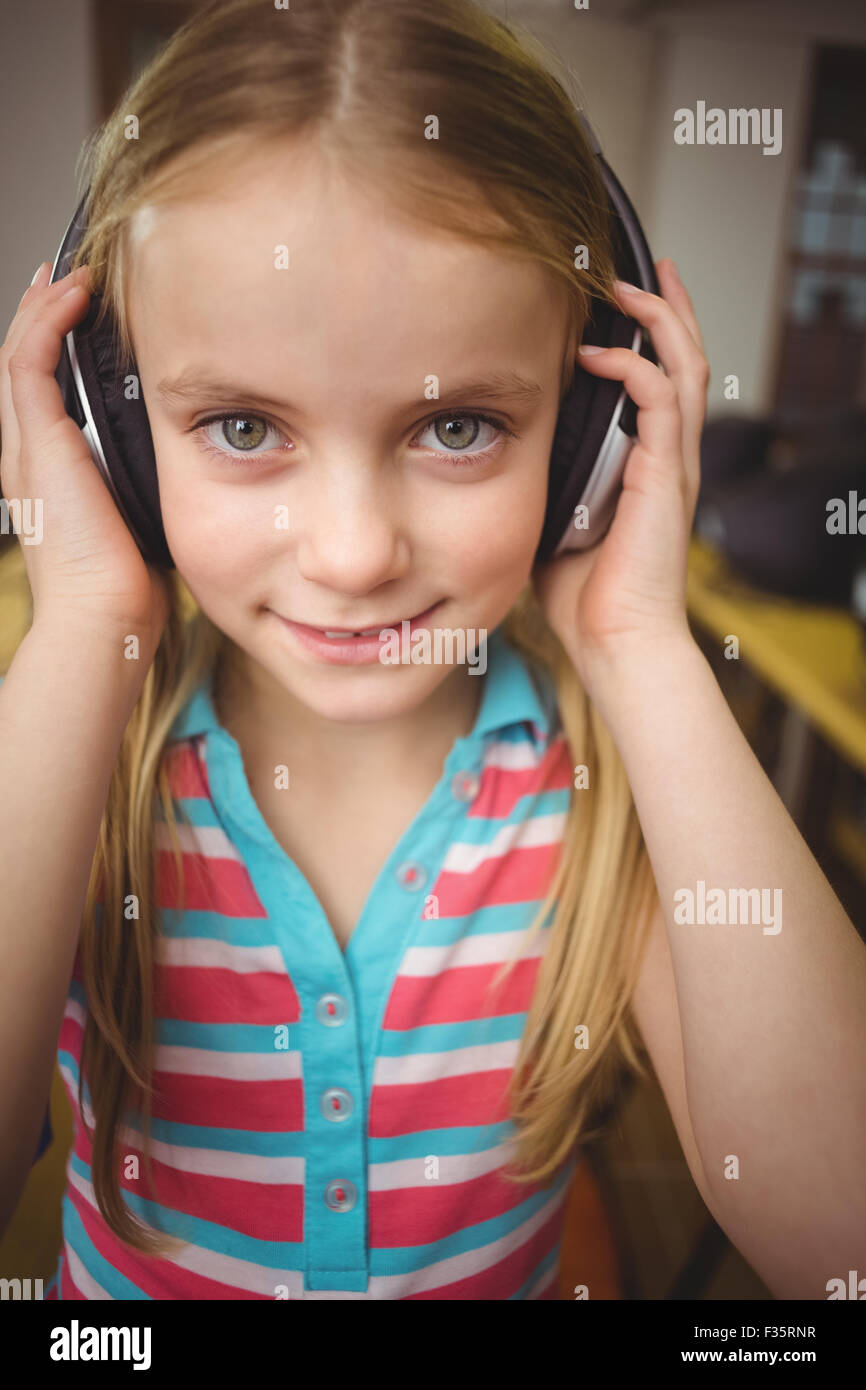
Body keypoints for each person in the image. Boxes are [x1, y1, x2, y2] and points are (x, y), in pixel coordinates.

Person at [1, 0, 864, 1301]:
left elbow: (838, 1240)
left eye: (456, 426)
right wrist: (82, 626)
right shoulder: (71, 765)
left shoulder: (595, 791)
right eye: (241, 426)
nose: (353, 554)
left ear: (587, 445)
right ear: (115, 441)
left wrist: (636, 645)